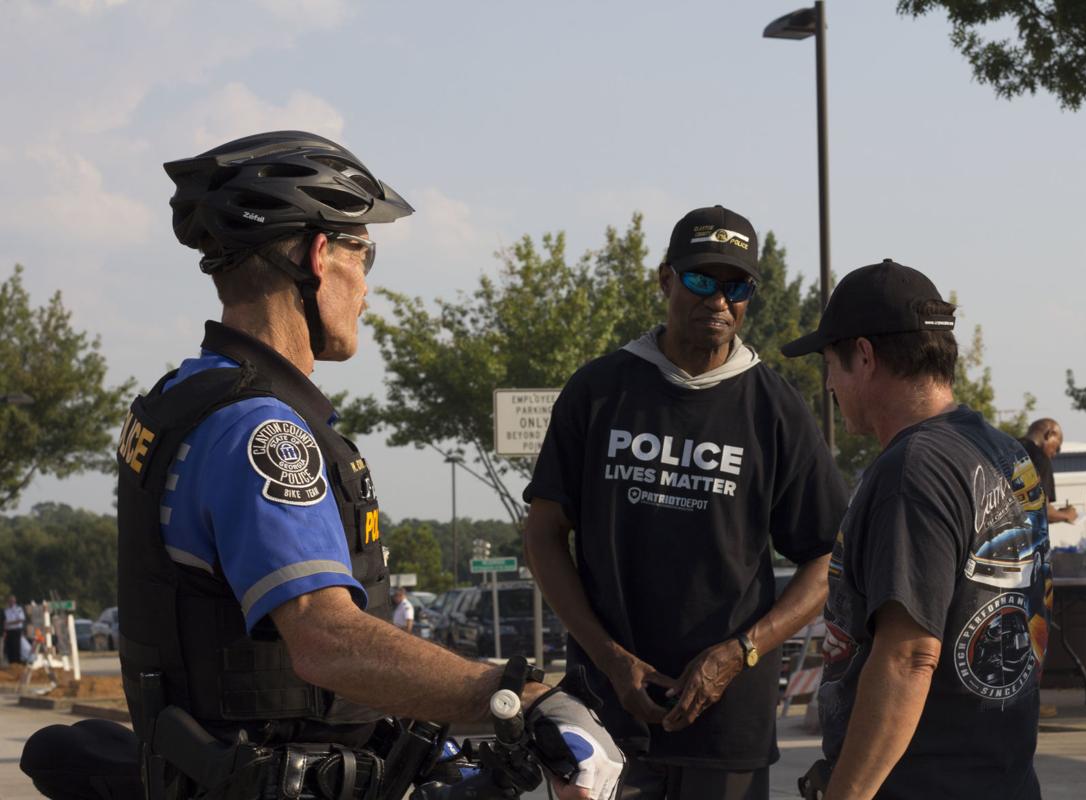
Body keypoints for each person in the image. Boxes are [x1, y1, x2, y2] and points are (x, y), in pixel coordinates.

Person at [22, 131, 623, 800]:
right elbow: (324, 636)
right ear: (318, 255)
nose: (366, 286)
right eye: (363, 253)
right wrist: (515, 697)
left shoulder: (182, 401)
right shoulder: (262, 432)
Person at [524, 205, 848, 800]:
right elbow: (543, 534)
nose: (718, 300)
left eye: (736, 286)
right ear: (665, 279)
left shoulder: (774, 409)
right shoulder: (599, 390)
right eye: (701, 280)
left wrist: (741, 652)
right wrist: (611, 659)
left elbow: (828, 559)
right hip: (603, 718)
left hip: (726, 730)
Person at [782, 259, 1049, 800]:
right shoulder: (1005, 455)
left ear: (863, 355)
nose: (829, 384)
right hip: (1004, 777)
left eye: (829, 364)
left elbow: (909, 656)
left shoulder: (914, 469)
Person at [1019, 418, 1078, 524]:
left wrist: (1056, 514)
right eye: (1057, 447)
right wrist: (1067, 515)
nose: (1055, 454)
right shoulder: (1040, 459)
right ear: (1050, 434)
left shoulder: (1006, 449)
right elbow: (1041, 511)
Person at [4, 595, 25, 665]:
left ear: (15, 601)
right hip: (8, 631)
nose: (11, 602)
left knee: (16, 647)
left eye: (12, 601)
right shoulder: (6, 610)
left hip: (16, 630)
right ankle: (11, 663)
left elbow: (21, 619)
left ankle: (17, 663)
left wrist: (9, 623)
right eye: (10, 601)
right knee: (9, 648)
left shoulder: (18, 609)